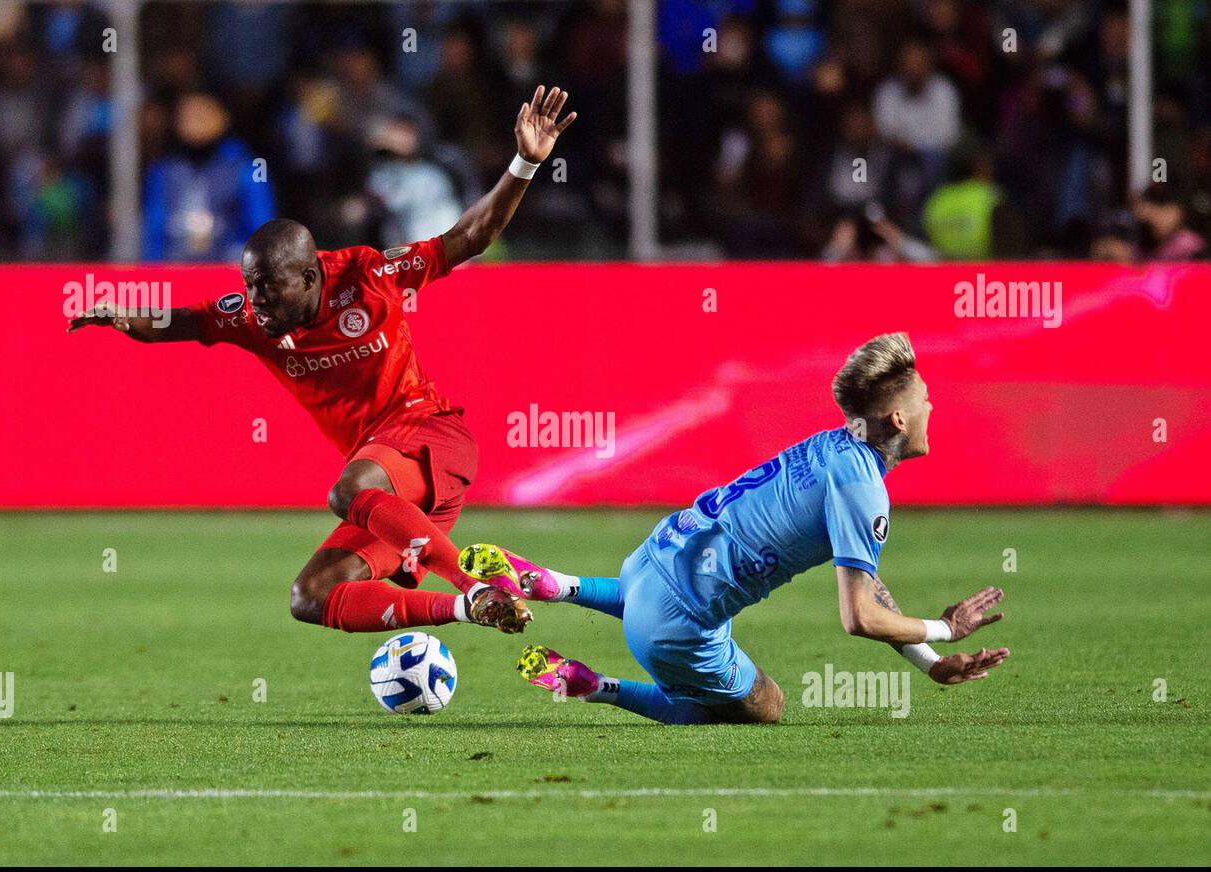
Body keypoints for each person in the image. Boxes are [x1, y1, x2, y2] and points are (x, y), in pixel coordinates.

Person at [69, 86, 578, 637]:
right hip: (397, 503)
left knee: (346, 490)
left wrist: (526, 161)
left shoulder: (368, 277)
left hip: (432, 438)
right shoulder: (251, 319)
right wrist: (121, 315)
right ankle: (468, 607)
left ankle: (472, 584)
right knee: (310, 597)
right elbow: (186, 321)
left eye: (269, 289)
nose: (257, 302)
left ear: (310, 278)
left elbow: (470, 235)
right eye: (250, 287)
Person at [461, 332, 1009, 724]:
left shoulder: (829, 448)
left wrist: (931, 667)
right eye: (925, 401)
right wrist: (943, 631)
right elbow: (860, 617)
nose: (932, 406)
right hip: (673, 629)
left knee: (661, 597)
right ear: (898, 420)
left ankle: (560, 585)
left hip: (652, 556)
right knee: (763, 705)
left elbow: (871, 590)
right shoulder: (864, 490)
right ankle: (593, 686)